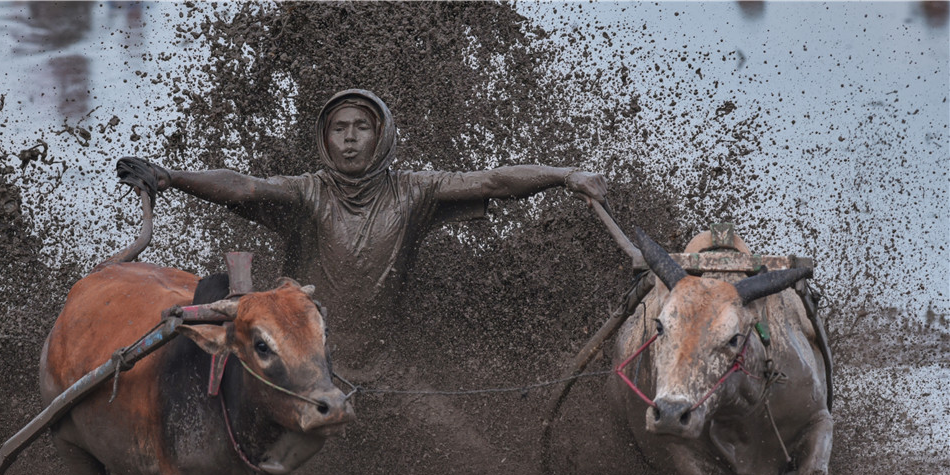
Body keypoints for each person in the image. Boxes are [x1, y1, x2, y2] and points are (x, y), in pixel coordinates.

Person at [118, 88, 607, 368]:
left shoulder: (415, 191)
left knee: (479, 465)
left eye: (362, 127)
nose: (350, 138)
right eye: (339, 128)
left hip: (388, 368)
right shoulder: (306, 192)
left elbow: (495, 180)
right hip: (305, 366)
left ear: (382, 135)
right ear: (325, 138)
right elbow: (244, 187)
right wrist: (172, 176)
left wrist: (566, 176)